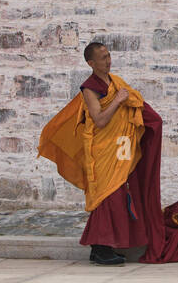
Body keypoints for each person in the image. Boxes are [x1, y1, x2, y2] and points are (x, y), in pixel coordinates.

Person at [39, 41, 162, 265]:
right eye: (103, 58)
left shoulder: (116, 82)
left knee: (121, 191)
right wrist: (117, 101)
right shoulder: (89, 88)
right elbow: (100, 120)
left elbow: (135, 107)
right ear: (91, 63)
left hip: (122, 145)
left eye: (108, 56)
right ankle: (101, 247)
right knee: (107, 195)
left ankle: (100, 247)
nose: (108, 61)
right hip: (102, 149)